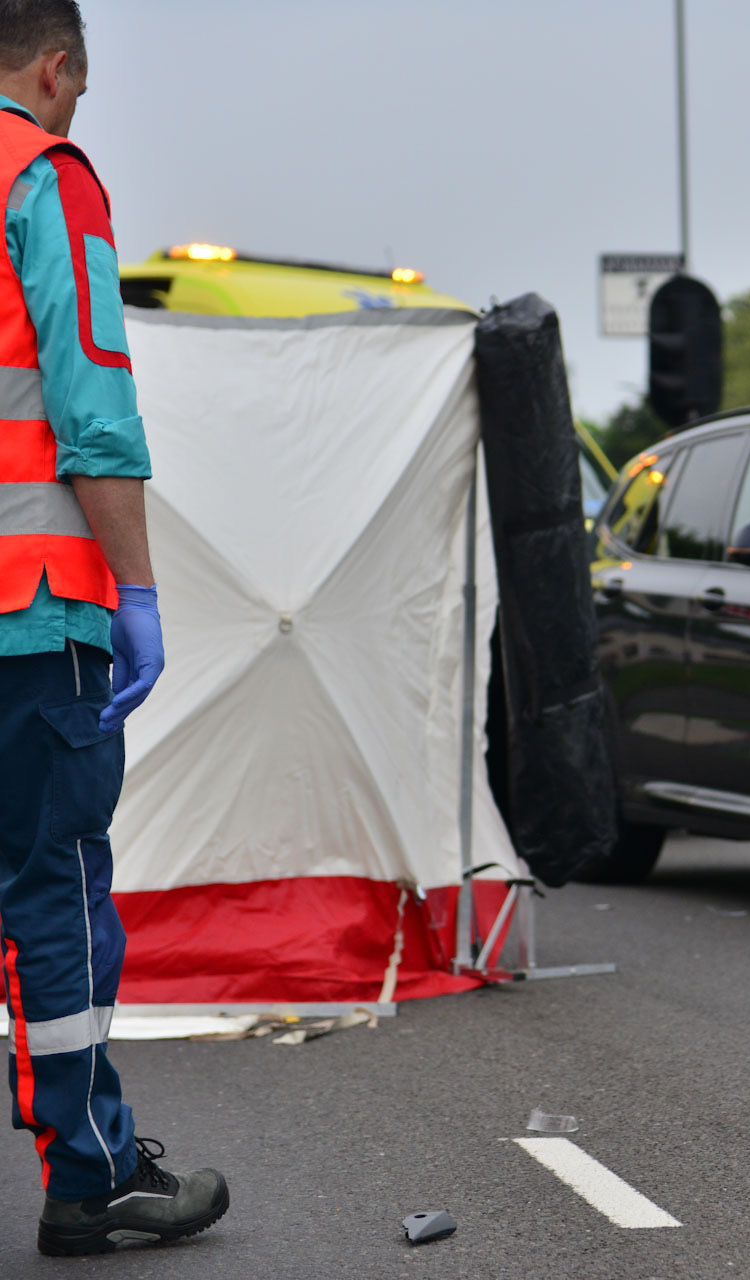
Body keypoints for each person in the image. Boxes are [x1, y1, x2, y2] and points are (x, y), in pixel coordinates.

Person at [0, 1, 229, 1256]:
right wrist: (136, 592)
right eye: (77, 90)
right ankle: (88, 1174)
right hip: (33, 616)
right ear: (56, 67)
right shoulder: (43, 174)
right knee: (55, 885)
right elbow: (89, 403)